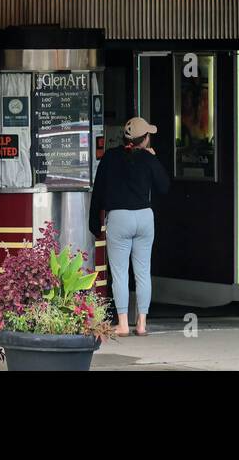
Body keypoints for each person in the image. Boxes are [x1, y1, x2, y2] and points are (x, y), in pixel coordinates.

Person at [89, 115, 170, 337]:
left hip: (119, 217)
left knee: (120, 273)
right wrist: (154, 159)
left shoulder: (109, 158)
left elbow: (98, 192)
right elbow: (164, 186)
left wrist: (94, 222)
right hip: (144, 216)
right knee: (143, 272)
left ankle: (123, 323)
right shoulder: (148, 158)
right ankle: (142, 323)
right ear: (143, 140)